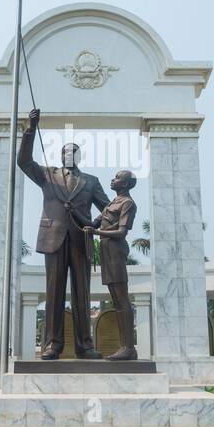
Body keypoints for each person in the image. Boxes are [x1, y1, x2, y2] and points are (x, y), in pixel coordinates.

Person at [18, 107, 110, 359]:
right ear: (60, 156)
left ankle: (85, 345)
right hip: (53, 239)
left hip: (81, 238)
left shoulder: (91, 181)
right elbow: (23, 162)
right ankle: (52, 345)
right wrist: (31, 128)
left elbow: (109, 208)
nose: (69, 154)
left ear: (78, 157)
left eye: (73, 151)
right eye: (65, 151)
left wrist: (95, 223)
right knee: (54, 292)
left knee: (83, 293)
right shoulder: (48, 174)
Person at [84, 170, 139, 360]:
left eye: (117, 178)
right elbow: (92, 222)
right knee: (116, 300)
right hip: (107, 252)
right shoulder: (111, 204)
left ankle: (128, 348)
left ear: (125, 184)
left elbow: (121, 232)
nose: (113, 180)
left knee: (122, 300)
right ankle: (125, 347)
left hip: (116, 252)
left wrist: (98, 233)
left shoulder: (127, 203)